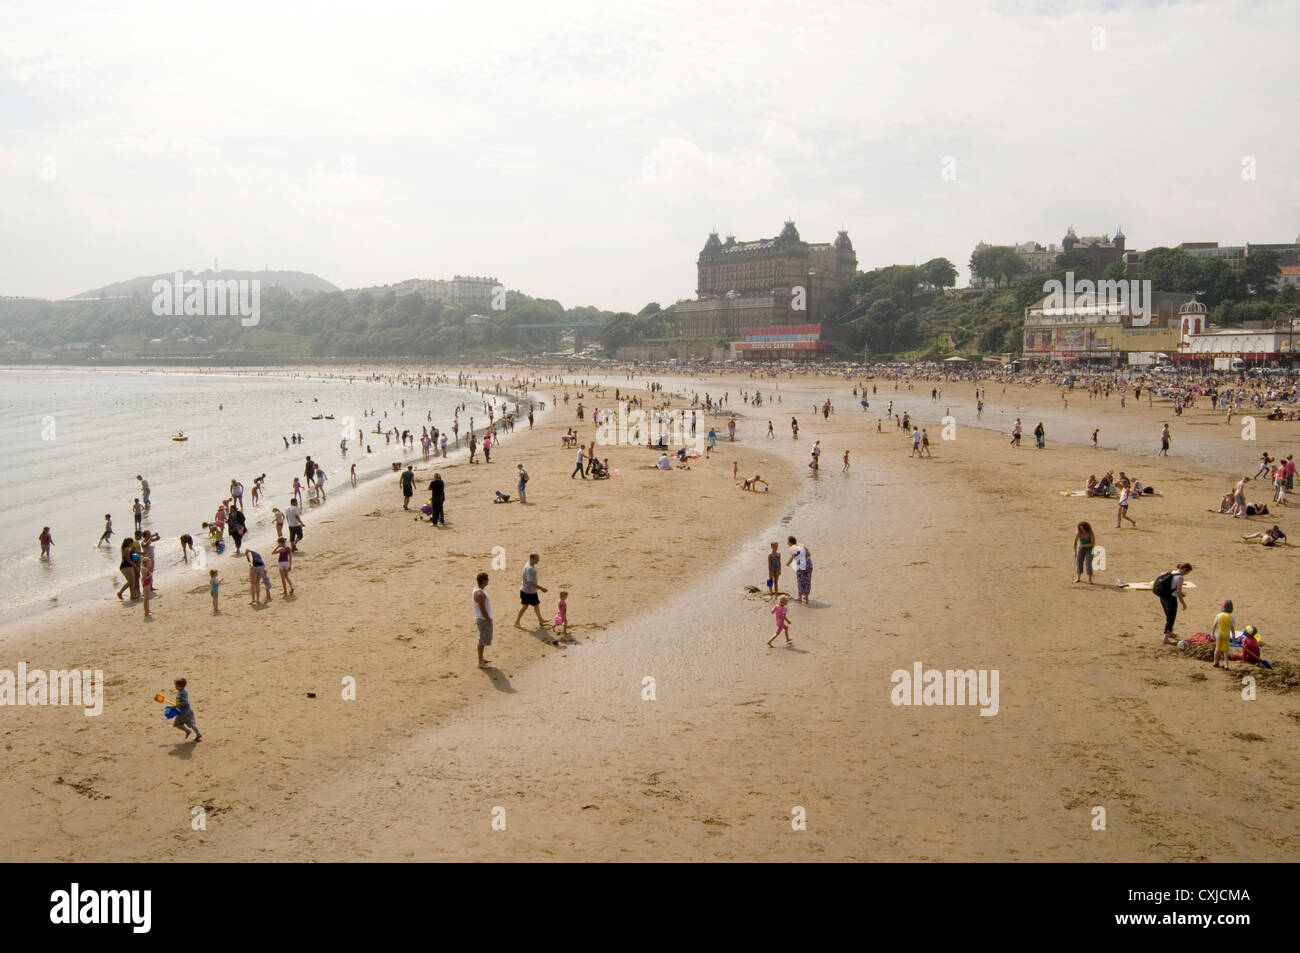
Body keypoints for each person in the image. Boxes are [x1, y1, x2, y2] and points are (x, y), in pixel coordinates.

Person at [1155, 563, 1192, 644]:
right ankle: (1165, 638)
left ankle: (1169, 632)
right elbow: (1178, 592)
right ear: (1185, 569)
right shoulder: (1180, 577)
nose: (1186, 574)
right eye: (1187, 572)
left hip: (1163, 597)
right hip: (1171, 599)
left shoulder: (1170, 572)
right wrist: (1183, 603)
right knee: (1171, 618)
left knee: (1168, 615)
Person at [515, 553, 549, 629]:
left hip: (531, 591)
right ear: (532, 558)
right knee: (525, 607)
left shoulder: (531, 564)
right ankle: (516, 622)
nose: (538, 561)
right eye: (537, 559)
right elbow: (530, 582)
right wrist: (541, 588)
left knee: (536, 605)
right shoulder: (529, 568)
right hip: (527, 592)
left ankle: (541, 620)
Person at [171, 678, 201, 742]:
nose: (175, 687)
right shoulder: (183, 691)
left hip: (183, 713)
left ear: (179, 686)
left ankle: (187, 730)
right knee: (191, 724)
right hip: (189, 711)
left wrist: (176, 706)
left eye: (176, 686)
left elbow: (185, 702)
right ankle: (198, 733)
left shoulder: (182, 693)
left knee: (176, 724)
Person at [473, 572, 493, 667]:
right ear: (484, 581)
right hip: (483, 619)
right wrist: (488, 618)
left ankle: (481, 658)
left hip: (482, 619)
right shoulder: (480, 594)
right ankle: (480, 661)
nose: (488, 581)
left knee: (483, 639)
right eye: (487, 579)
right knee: (482, 640)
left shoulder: (478, 591)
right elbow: (482, 608)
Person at [787, 535, 812, 605]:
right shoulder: (802, 545)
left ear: (790, 542)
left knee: (800, 580)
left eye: (788, 542)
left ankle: (800, 597)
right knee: (807, 580)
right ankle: (806, 596)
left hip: (801, 564)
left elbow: (792, 557)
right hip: (808, 563)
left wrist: (788, 563)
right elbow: (809, 554)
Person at [1212, 599, 1235, 669]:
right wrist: (1234, 638)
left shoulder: (1219, 615)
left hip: (1220, 634)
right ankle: (1226, 665)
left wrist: (1212, 634)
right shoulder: (1231, 617)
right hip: (1226, 635)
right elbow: (1232, 629)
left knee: (1217, 649)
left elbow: (1214, 625)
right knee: (1225, 651)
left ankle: (1215, 662)